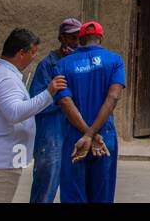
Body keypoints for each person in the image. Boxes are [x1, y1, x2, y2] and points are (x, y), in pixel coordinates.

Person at [0, 28, 66, 203]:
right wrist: (49, 93)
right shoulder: (6, 78)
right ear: (21, 53)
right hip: (1, 161)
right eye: (32, 53)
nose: (33, 58)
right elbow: (15, 112)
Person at [54, 21, 126, 203]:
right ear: (100, 38)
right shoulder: (115, 61)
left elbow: (64, 100)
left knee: (73, 193)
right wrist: (93, 134)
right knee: (102, 194)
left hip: (74, 137)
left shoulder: (62, 65)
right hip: (103, 136)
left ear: (80, 39)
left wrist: (85, 134)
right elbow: (113, 97)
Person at [27, 17, 81, 202]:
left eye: (78, 38)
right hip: (51, 130)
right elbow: (36, 99)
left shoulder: (79, 63)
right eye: (72, 38)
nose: (76, 42)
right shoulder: (48, 65)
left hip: (73, 128)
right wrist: (61, 100)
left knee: (74, 182)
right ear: (62, 38)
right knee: (47, 180)